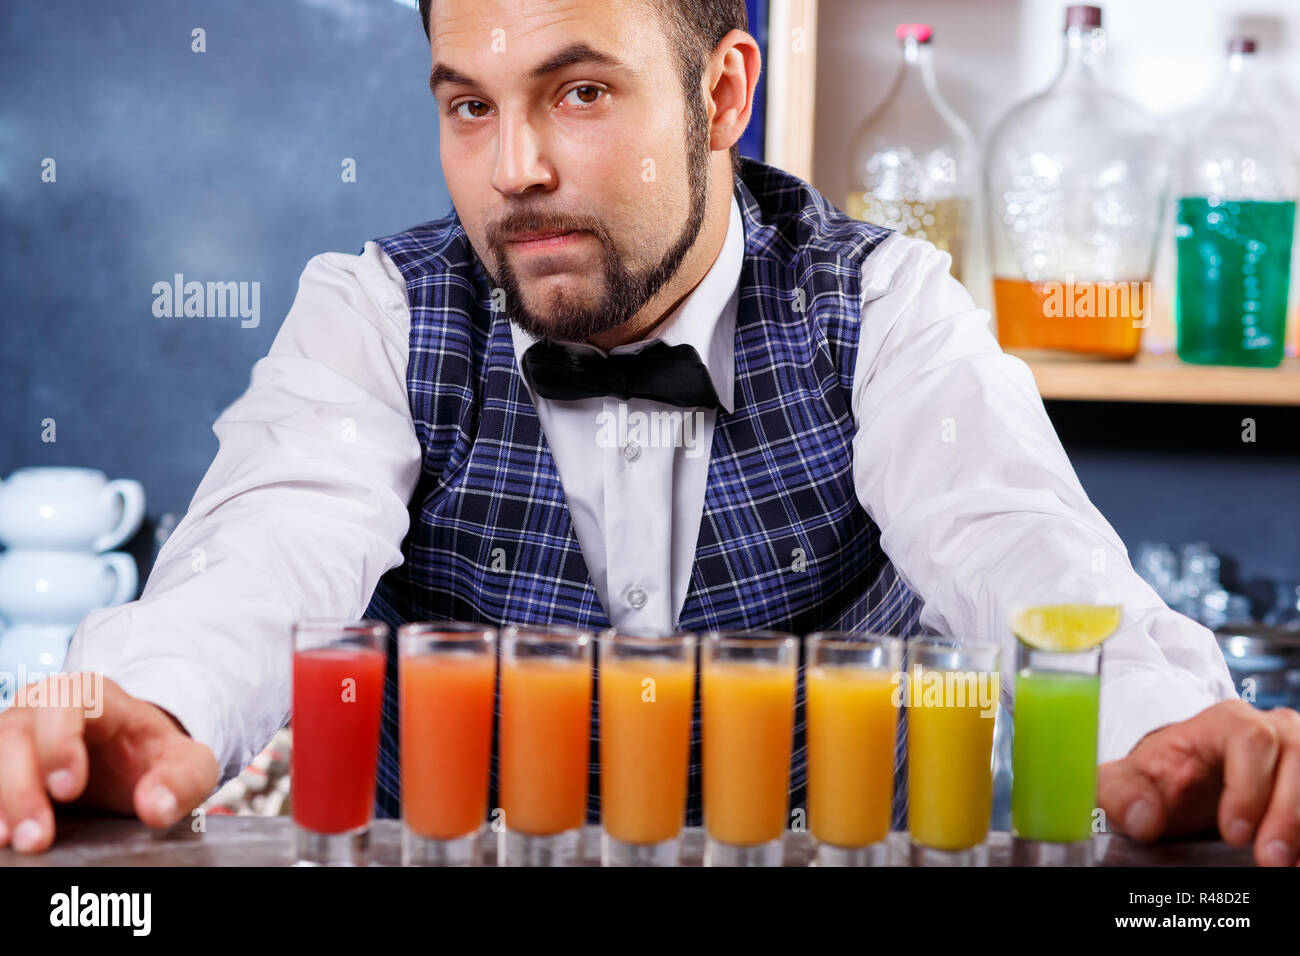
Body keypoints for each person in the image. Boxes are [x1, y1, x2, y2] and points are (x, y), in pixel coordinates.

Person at [2, 0, 1296, 866]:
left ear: (723, 94)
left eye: (576, 94)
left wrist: (1172, 729)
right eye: (468, 105)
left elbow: (1030, 560)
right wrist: (149, 699)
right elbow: (265, 545)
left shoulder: (884, 307)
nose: (511, 168)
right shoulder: (374, 315)